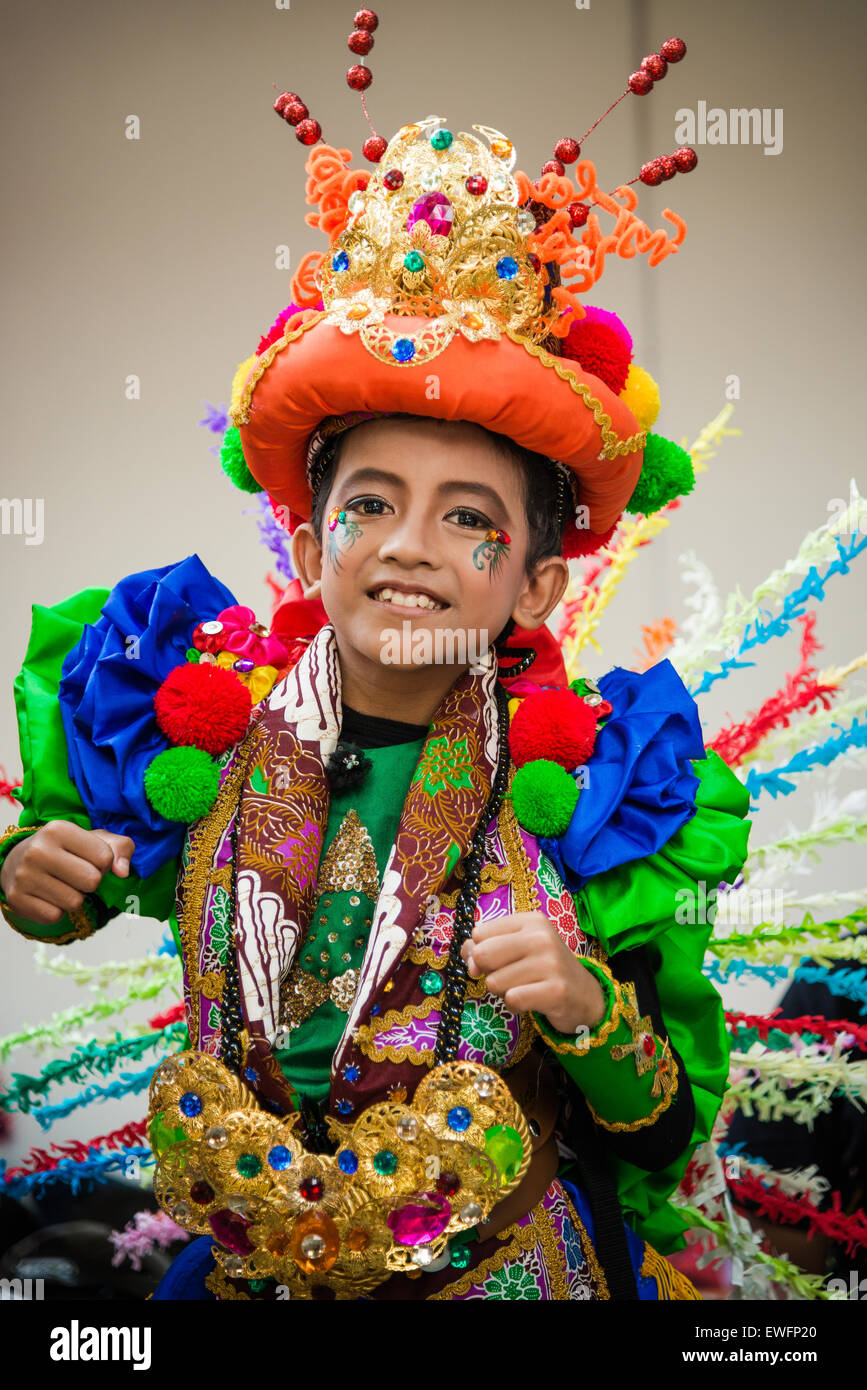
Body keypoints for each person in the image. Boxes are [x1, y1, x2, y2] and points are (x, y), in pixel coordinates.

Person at [0, 100, 751, 1300]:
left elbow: (666, 1132)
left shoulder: (598, 786)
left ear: (534, 582)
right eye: (369, 504)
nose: (408, 547)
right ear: (307, 544)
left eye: (469, 517)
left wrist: (582, 1002)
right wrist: (29, 873)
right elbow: (72, 886)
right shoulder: (198, 734)